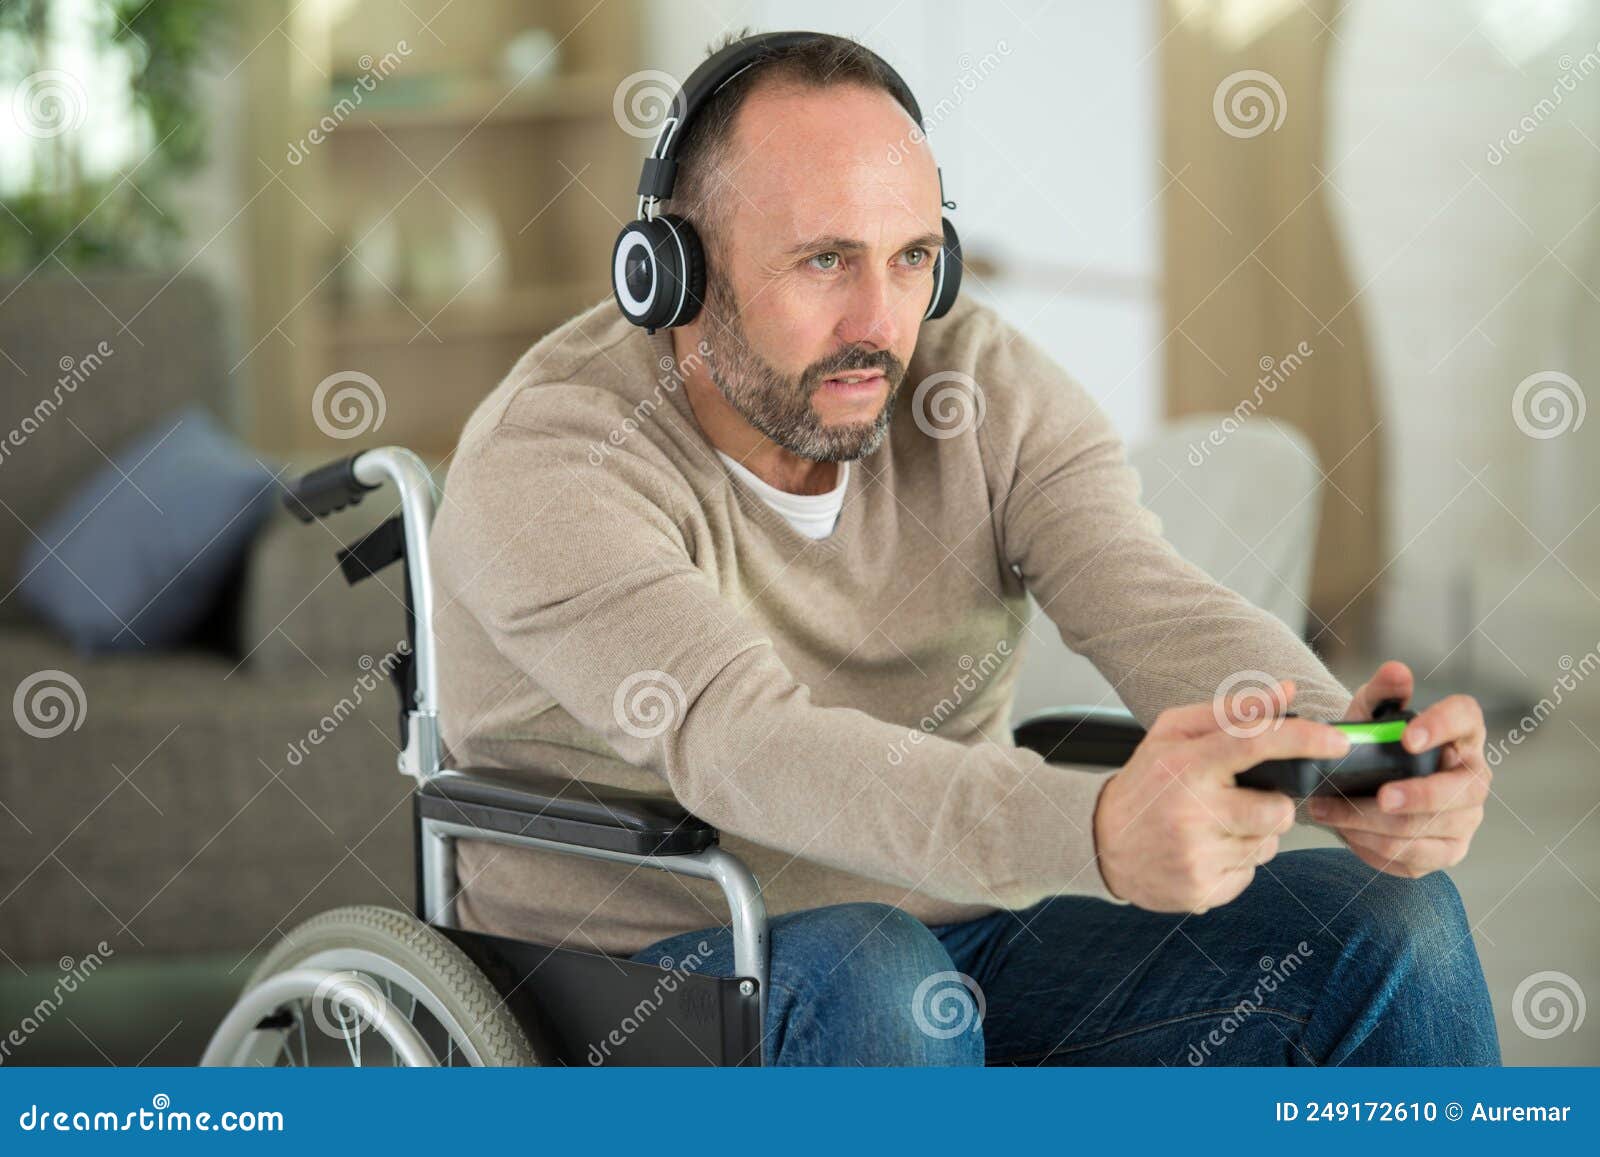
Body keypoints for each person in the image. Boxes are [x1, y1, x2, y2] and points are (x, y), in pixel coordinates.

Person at [427, 30, 1498, 1065]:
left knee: (1387, 928)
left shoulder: (975, 385)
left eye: (912, 259)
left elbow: (1148, 602)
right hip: (642, 971)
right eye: (824, 260)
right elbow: (743, 743)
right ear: (676, 271)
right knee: (880, 975)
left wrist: (1332, 747)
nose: (879, 321)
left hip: (955, 934)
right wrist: (1091, 829)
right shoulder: (552, 458)